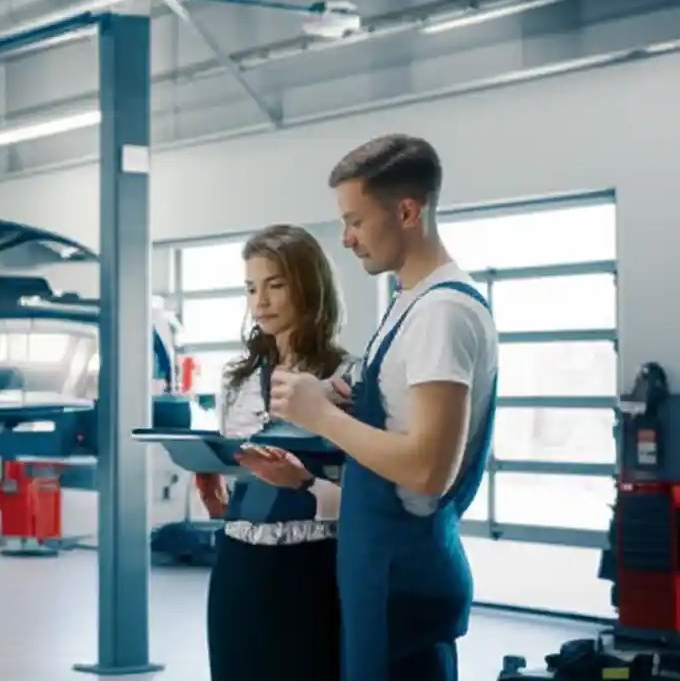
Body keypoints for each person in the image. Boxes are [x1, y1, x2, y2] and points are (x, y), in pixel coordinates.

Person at [262, 134, 500, 681]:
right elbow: (401, 424)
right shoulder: (409, 303)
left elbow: (427, 468)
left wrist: (320, 416)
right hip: (382, 572)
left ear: (408, 211)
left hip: (404, 578)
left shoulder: (441, 313)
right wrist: (341, 404)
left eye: (356, 221)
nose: (345, 239)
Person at [194, 223, 357, 681]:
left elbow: (365, 480)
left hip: (312, 564)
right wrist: (216, 490)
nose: (260, 301)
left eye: (275, 285)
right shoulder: (236, 379)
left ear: (308, 287)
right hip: (238, 560)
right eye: (251, 288)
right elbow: (240, 466)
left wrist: (305, 483)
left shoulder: (348, 375)